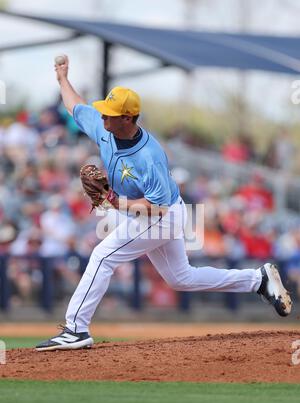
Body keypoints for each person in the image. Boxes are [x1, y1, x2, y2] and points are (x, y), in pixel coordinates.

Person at [36, 56, 292, 351]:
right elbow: (75, 106)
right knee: (182, 278)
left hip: (161, 214)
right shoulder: (104, 128)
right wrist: (62, 79)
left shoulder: (150, 156)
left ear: (129, 118)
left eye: (110, 115)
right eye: (104, 113)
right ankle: (257, 280)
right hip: (158, 211)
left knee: (103, 257)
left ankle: (76, 329)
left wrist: (114, 202)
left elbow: (156, 208)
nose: (103, 118)